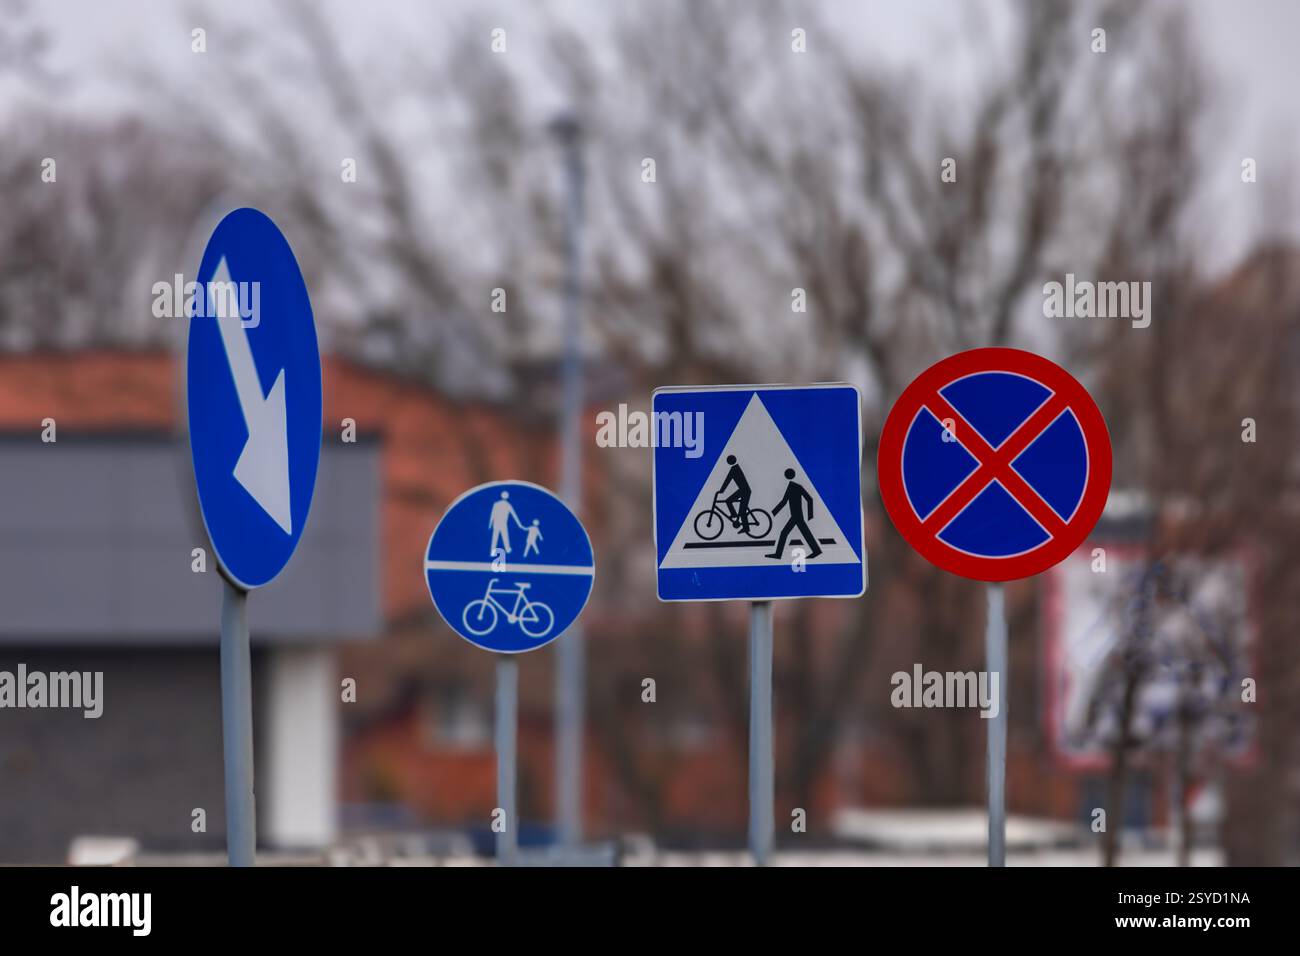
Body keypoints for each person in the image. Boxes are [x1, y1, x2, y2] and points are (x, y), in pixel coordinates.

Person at [765, 468, 823, 560]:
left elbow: (785, 501)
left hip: (797, 516)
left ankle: (778, 554)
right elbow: (808, 499)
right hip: (796, 516)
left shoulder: (792, 486)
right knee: (802, 533)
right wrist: (774, 512)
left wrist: (774, 512)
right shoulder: (795, 486)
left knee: (785, 533)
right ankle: (816, 550)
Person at [717, 455, 753, 530]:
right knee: (728, 501)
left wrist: (721, 491)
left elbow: (727, 480)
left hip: (745, 491)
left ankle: (746, 528)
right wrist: (722, 491)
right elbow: (728, 480)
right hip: (743, 490)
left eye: (728, 460)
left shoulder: (734, 469)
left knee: (742, 511)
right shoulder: (735, 468)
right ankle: (734, 514)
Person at [488, 491, 524, 555]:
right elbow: (514, 516)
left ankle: (492, 551)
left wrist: (490, 524)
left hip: (496, 524)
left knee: (495, 537)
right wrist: (519, 524)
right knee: (505, 537)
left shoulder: (496, 504)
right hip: (503, 524)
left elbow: (492, 515)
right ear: (507, 497)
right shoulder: (508, 505)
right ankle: (507, 549)